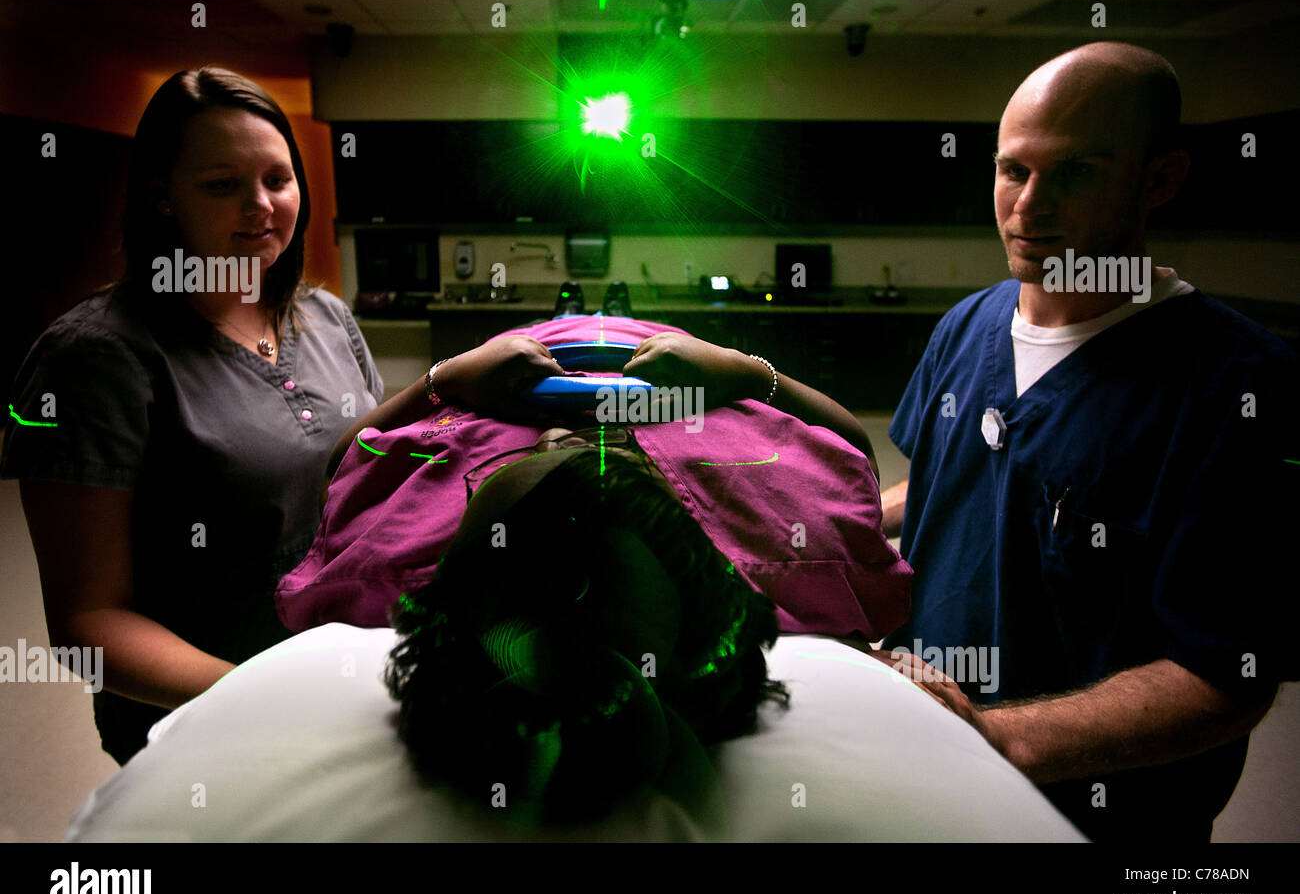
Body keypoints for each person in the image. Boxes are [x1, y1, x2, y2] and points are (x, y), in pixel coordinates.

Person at [878, 42, 1299, 841]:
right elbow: (949, 487)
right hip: (929, 777)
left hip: (1097, 814)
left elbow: (1225, 675)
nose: (1028, 206)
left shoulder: (1238, 387)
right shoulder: (965, 328)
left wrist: (995, 737)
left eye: (1073, 174)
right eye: (1012, 170)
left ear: (1159, 180)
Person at [2, 67, 383, 764]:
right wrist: (263, 698)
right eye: (221, 185)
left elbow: (359, 461)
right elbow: (89, 624)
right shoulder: (96, 359)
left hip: (341, 691)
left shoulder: (324, 318)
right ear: (162, 196)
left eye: (277, 178)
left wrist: (454, 384)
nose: (260, 205)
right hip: (205, 726)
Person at [277, 312, 912, 647]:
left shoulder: (399, 561)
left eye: (553, 457)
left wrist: (441, 380)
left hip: (524, 353)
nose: (581, 440)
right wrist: (744, 374)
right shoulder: (775, 560)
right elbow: (851, 451)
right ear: (671, 499)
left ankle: (571, 320)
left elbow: (346, 462)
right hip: (666, 354)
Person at [384, 436, 789, 828]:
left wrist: (440, 382)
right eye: (618, 463)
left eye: (521, 465)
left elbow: (337, 460)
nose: (566, 443)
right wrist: (754, 376)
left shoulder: (399, 513)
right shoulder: (764, 488)